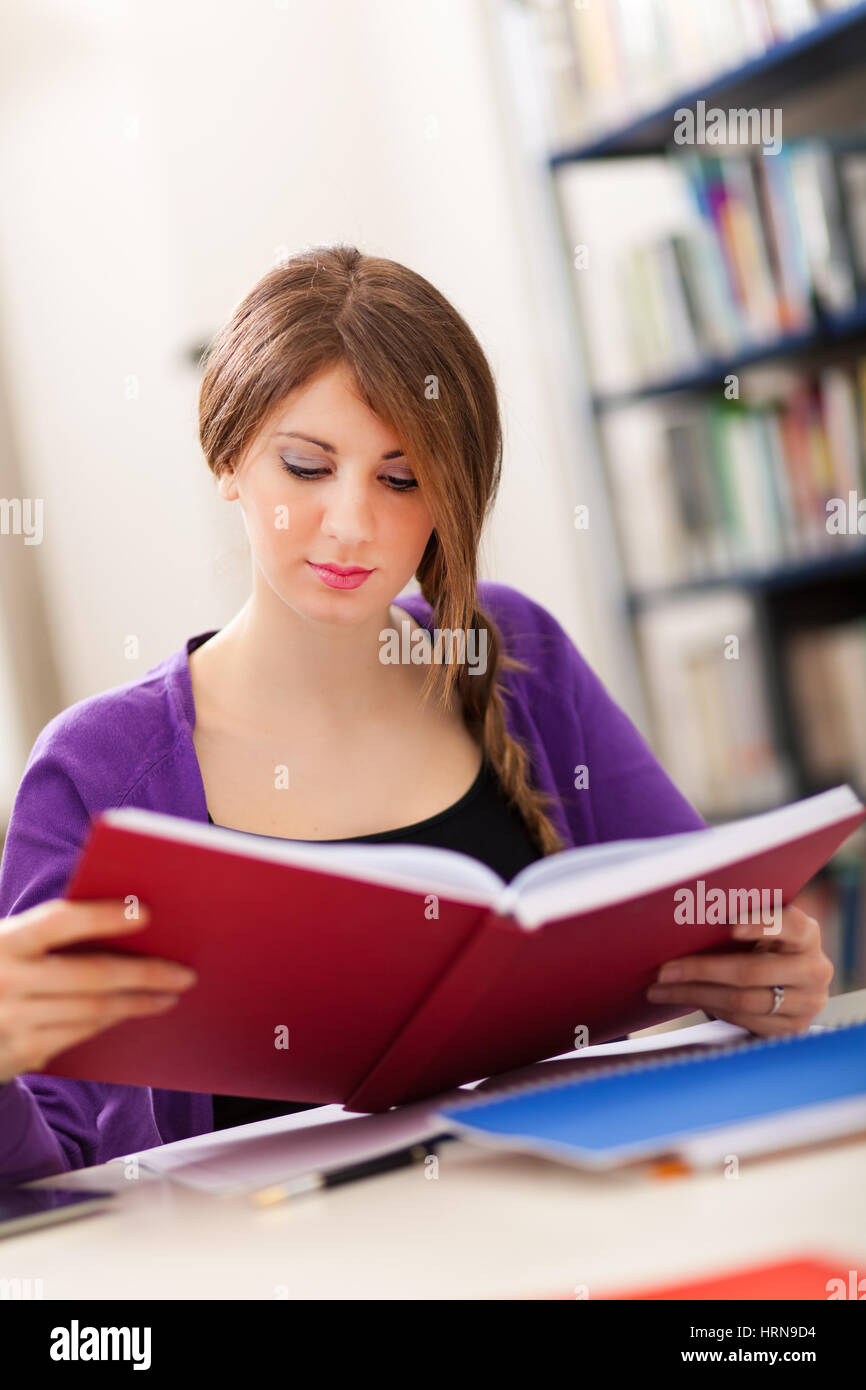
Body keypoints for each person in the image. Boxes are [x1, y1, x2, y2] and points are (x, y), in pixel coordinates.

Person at [0, 245, 833, 1184]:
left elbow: (708, 936)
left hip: (565, 1226)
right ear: (227, 457)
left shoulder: (517, 656)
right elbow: (49, 1168)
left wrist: (769, 979)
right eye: (308, 467)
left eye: (401, 479)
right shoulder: (98, 768)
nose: (351, 525)